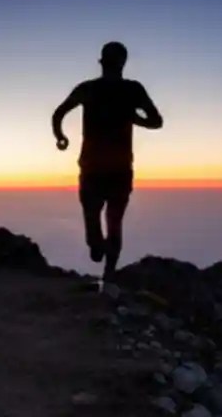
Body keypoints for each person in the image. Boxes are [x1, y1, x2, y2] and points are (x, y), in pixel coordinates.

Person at [52, 41, 163, 281]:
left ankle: (97, 247)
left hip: (92, 168)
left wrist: (60, 136)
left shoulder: (88, 89)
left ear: (101, 62)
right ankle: (109, 273)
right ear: (123, 63)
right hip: (119, 170)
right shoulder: (133, 90)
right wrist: (133, 118)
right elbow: (156, 121)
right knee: (114, 222)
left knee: (93, 218)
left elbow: (59, 113)